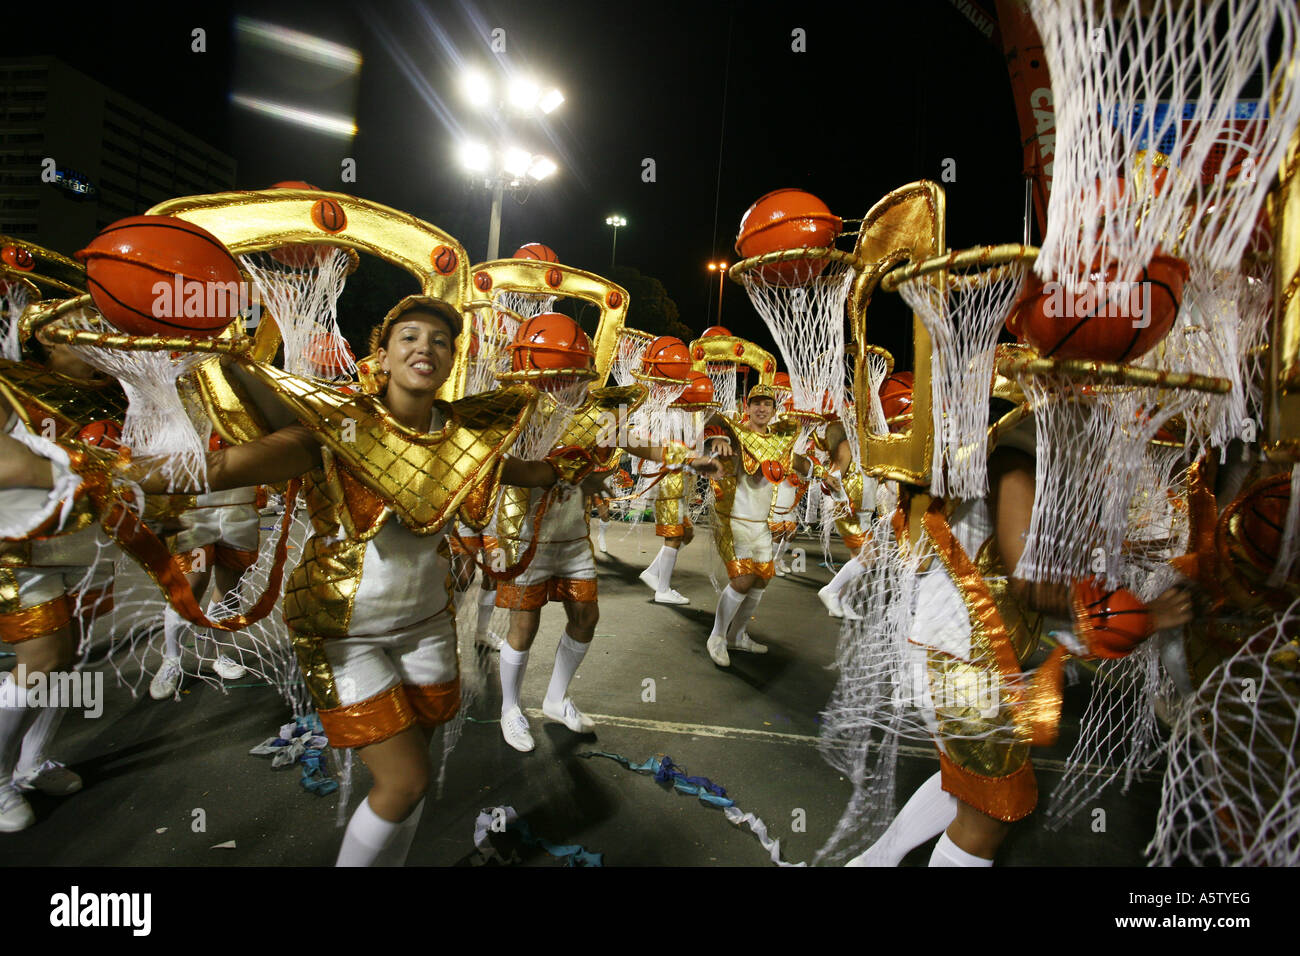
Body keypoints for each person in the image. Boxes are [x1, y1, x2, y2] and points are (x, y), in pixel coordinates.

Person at [0, 294, 553, 865]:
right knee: (405, 780)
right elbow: (213, 469)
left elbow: (523, 472)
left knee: (415, 775)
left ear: (451, 359)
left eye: (440, 340)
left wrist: (580, 461)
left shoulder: (465, 436)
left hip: (429, 628)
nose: (425, 348)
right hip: (345, 632)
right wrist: (72, 471)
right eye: (409, 336)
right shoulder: (332, 429)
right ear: (382, 357)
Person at [0, 338, 125, 831]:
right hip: (20, 542)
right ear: (46, 343)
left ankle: (31, 763)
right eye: (75, 330)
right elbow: (16, 468)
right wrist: (97, 479)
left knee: (68, 657)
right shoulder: (12, 381)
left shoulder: (107, 393)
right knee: (41, 660)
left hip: (78, 543)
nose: (92, 337)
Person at [703, 383, 837, 667]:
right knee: (741, 580)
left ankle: (738, 635)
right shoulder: (734, 435)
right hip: (733, 521)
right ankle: (717, 637)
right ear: (747, 408)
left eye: (767, 404)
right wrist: (714, 441)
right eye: (757, 403)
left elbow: (799, 463)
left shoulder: (780, 441)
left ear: (774, 411)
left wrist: (825, 475)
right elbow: (710, 425)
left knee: (762, 579)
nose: (762, 408)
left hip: (760, 523)